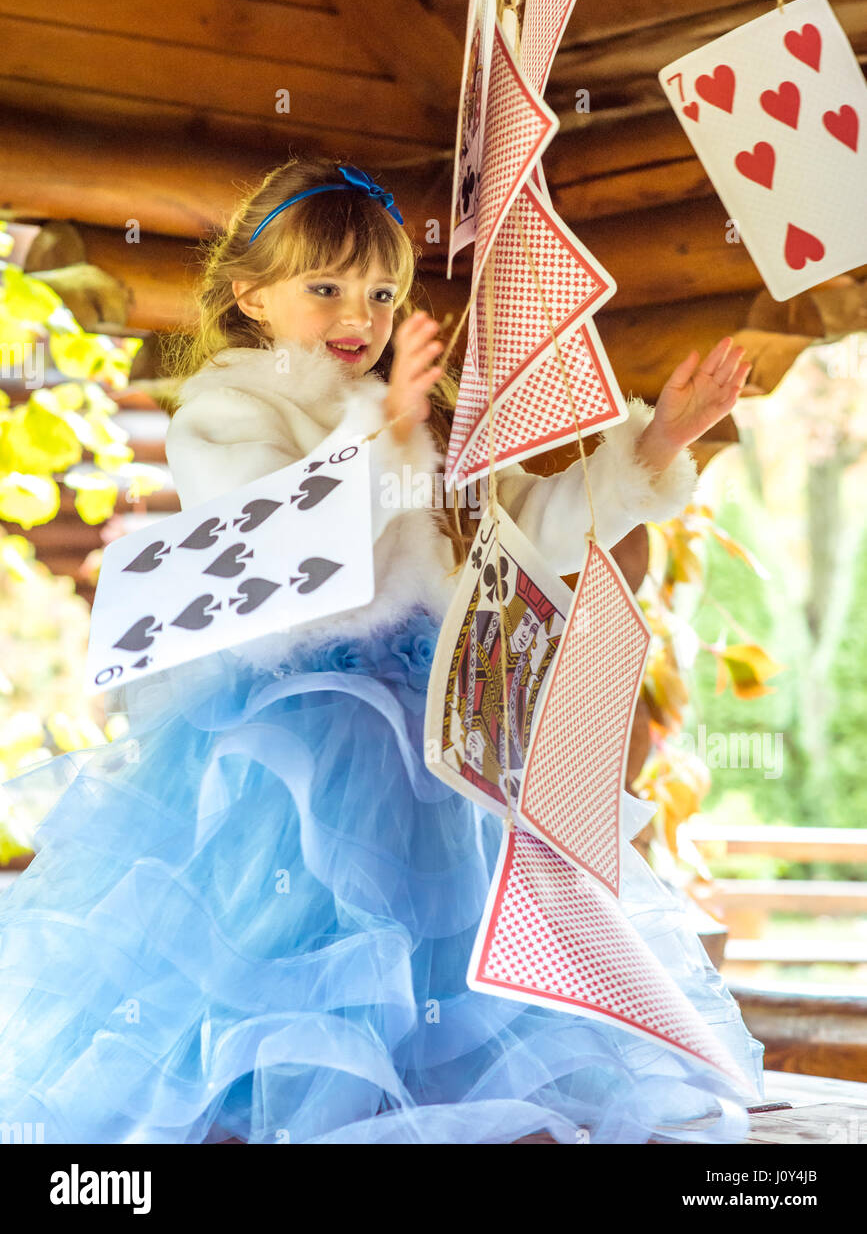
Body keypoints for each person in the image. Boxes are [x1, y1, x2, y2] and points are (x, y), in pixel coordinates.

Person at [0, 155, 761, 1145]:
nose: (358, 312)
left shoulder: (431, 420)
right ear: (252, 296)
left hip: (441, 720)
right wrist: (381, 427)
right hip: (303, 718)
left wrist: (655, 447)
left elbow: (528, 527)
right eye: (325, 288)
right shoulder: (228, 413)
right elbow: (277, 538)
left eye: (382, 291)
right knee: (307, 922)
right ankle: (288, 1091)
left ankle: (425, 1086)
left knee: (445, 930)